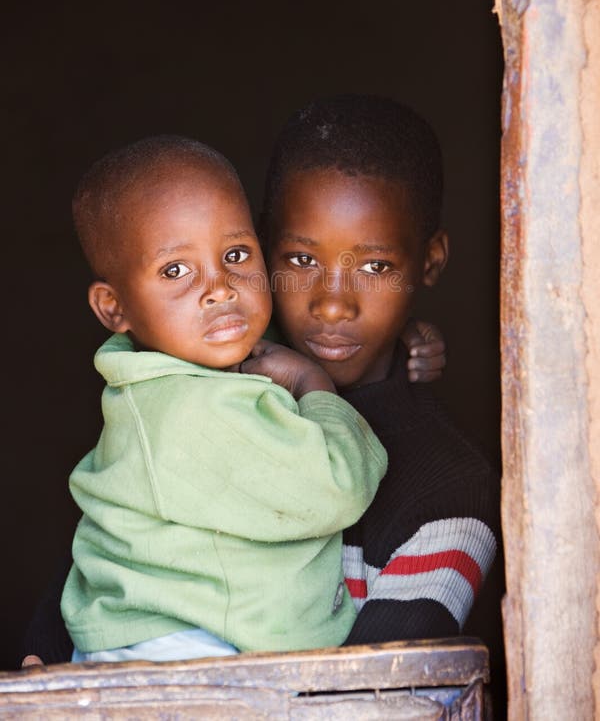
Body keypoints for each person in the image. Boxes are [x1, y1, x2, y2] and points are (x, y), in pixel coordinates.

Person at [58, 134, 388, 663]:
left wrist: (410, 341)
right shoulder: (187, 412)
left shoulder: (171, 376)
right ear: (114, 307)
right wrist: (313, 384)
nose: (220, 287)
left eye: (235, 255)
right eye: (175, 270)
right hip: (181, 656)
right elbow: (336, 485)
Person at [260, 94, 500, 642]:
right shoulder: (207, 396)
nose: (332, 305)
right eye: (302, 259)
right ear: (261, 246)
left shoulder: (449, 492)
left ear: (430, 261)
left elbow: (378, 681)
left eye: (375, 266)